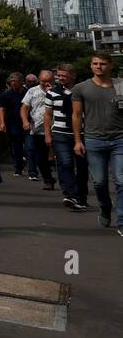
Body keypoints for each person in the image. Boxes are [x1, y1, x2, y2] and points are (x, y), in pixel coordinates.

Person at [72, 52, 123, 233]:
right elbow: (77, 115)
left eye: (102, 63)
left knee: (121, 180)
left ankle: (122, 220)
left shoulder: (120, 85)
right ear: (91, 66)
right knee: (99, 182)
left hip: (119, 139)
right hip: (94, 139)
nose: (98, 67)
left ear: (110, 66)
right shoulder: (81, 88)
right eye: (95, 63)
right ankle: (105, 207)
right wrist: (78, 141)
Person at [45, 63, 90, 213]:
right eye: (59, 75)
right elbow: (48, 115)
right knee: (65, 163)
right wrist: (47, 134)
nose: (61, 78)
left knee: (82, 167)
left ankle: (82, 196)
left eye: (64, 75)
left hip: (82, 133)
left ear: (73, 76)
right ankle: (71, 195)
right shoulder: (52, 93)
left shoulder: (83, 91)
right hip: (60, 133)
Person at [20, 70, 55, 189]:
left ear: (53, 80)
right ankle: (48, 179)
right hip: (38, 129)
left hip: (56, 128)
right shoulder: (32, 91)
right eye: (43, 81)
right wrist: (25, 121)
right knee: (40, 158)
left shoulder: (58, 91)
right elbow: (24, 108)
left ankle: (67, 183)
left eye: (48, 81)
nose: (45, 83)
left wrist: (50, 92)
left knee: (62, 158)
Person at [0, 71, 27, 177]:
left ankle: (31, 167)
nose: (13, 83)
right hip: (13, 123)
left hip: (28, 122)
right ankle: (18, 167)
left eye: (15, 81)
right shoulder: (6, 95)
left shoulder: (28, 93)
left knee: (29, 146)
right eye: (11, 81)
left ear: (22, 82)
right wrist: (1, 122)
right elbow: (1, 109)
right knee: (16, 146)